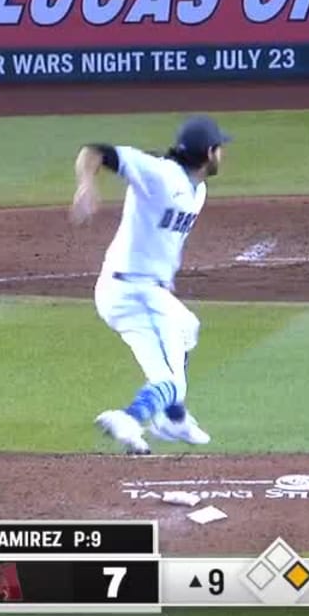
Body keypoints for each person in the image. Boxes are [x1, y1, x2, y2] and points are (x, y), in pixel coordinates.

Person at [71, 116, 229, 455]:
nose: (223, 155)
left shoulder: (196, 189)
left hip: (145, 291)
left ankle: (173, 419)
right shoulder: (159, 173)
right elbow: (95, 151)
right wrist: (86, 185)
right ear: (209, 152)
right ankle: (130, 419)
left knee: (188, 327)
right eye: (220, 148)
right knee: (171, 381)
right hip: (134, 291)